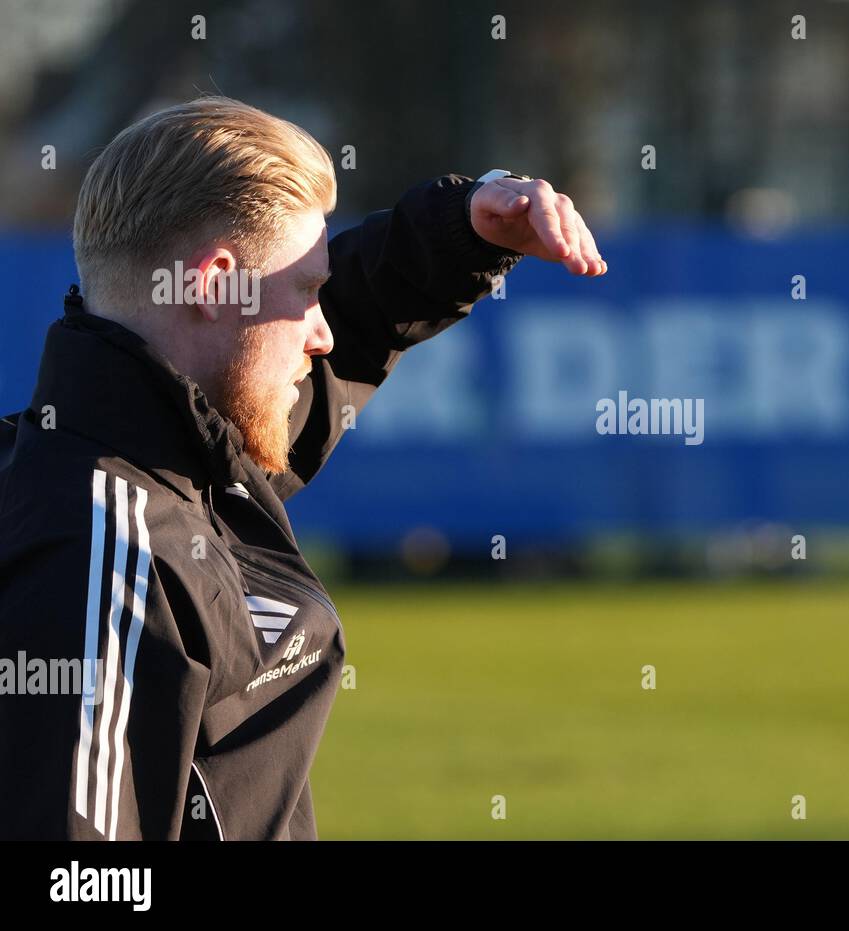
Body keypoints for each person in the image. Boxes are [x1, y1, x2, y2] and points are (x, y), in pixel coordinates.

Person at [0, 96, 605, 840]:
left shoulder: (171, 458)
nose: (320, 332)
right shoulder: (103, 549)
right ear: (216, 284)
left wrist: (458, 233)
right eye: (307, 293)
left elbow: (334, 336)